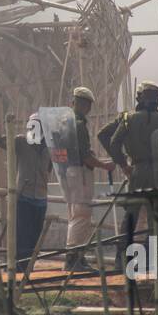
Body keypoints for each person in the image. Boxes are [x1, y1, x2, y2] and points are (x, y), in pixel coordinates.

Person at [98, 81, 158, 265]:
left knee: (131, 215)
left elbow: (110, 140)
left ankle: (122, 260)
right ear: (157, 99)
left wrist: (123, 164)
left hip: (137, 171)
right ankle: (154, 261)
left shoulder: (128, 119)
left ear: (139, 97)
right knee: (155, 215)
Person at [0, 110, 52, 272]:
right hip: (24, 197)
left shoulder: (49, 149)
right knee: (22, 234)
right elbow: (1, 141)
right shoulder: (21, 142)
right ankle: (19, 267)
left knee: (35, 235)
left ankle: (27, 266)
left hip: (41, 198)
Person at [63, 87, 107, 272]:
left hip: (69, 171)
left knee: (76, 215)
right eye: (87, 104)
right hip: (80, 173)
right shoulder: (78, 125)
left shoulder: (64, 122)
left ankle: (77, 257)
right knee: (81, 214)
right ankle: (73, 259)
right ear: (83, 104)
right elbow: (86, 157)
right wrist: (105, 165)